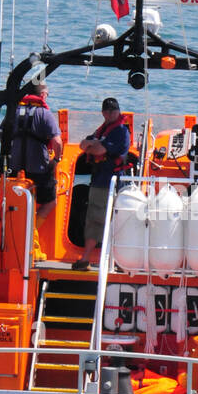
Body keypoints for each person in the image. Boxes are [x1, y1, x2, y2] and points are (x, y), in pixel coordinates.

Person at [74, 97, 131, 270]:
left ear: (119, 111)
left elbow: (98, 149)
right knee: (93, 219)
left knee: (113, 221)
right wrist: (93, 143)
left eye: (114, 110)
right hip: (98, 181)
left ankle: (118, 261)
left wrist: (93, 145)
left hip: (112, 182)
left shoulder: (120, 131)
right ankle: (85, 259)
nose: (111, 113)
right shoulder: (102, 131)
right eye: (107, 111)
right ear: (103, 113)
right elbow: (83, 144)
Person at [6, 77, 63, 240]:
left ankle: (14, 230)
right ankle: (30, 234)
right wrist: (56, 160)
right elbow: (57, 142)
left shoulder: (15, 111)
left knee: (16, 202)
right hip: (38, 168)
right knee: (50, 202)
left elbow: (2, 134)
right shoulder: (45, 114)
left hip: (15, 167)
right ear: (43, 95)